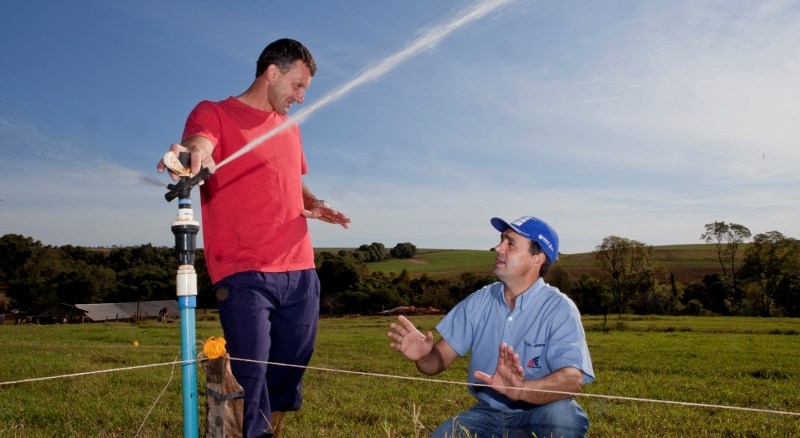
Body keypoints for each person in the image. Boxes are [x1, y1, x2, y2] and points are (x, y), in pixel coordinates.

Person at [157, 38, 351, 438]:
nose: (300, 97)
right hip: (244, 272)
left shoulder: (289, 130)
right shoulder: (215, 112)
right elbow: (200, 144)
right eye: (297, 86)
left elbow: (293, 181)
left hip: (300, 269)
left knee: (290, 367)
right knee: (251, 375)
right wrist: (195, 155)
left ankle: (266, 428)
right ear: (272, 72)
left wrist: (315, 204)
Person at [388, 216, 593, 437]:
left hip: (541, 410)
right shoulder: (479, 301)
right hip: (488, 414)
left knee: (564, 419)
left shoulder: (560, 308)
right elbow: (436, 363)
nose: (498, 247)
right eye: (500, 240)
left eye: (510, 243)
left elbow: (572, 379)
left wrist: (521, 390)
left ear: (537, 258)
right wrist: (423, 357)